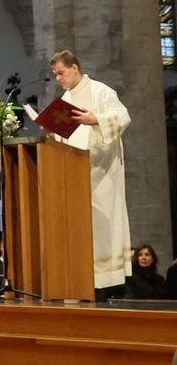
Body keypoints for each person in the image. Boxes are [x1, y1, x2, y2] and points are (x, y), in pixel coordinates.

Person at [47, 50, 133, 294]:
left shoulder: (100, 91)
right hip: (74, 173)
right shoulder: (65, 99)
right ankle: (81, 282)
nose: (58, 79)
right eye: (55, 75)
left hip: (101, 173)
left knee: (103, 229)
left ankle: (107, 288)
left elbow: (123, 117)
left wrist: (96, 119)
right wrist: (52, 131)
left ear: (75, 68)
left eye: (61, 73)